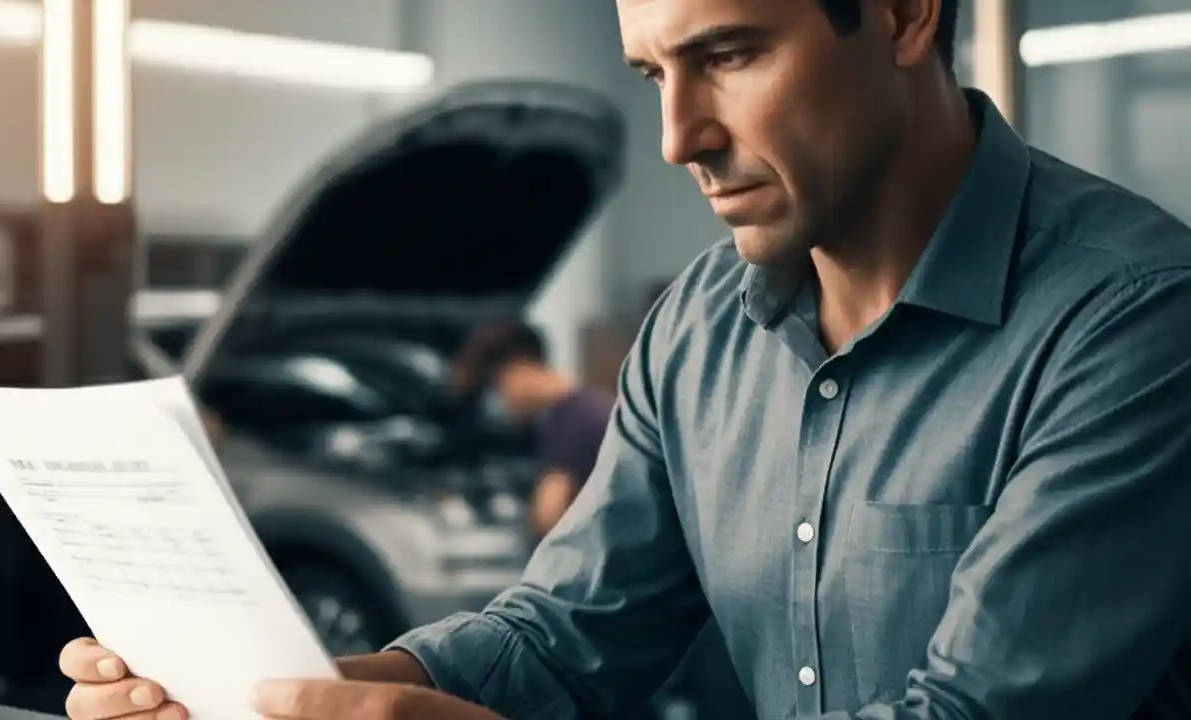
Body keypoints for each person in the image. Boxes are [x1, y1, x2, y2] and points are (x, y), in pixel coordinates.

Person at [59, 0, 1191, 718]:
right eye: (654, 74)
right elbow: (564, 638)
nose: (676, 138)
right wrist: (310, 697)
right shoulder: (696, 328)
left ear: (900, 15)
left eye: (728, 54)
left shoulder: (1133, 318)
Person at [451, 319, 614, 539]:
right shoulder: (587, 406)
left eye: (495, 387)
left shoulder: (574, 418)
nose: (500, 401)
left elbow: (548, 515)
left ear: (517, 371)